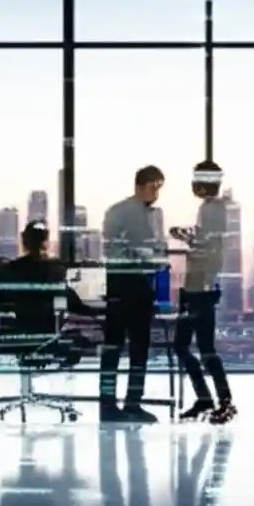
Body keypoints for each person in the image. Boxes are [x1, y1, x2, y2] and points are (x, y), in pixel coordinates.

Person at [100, 165, 168, 423]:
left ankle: (112, 405)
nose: (157, 193)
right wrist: (157, 258)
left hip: (125, 283)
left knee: (116, 347)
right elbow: (148, 250)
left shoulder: (133, 212)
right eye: (154, 187)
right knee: (135, 347)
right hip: (131, 283)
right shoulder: (131, 213)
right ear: (140, 185)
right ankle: (130, 404)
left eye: (159, 188)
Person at [170, 161, 235, 424]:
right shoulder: (210, 209)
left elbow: (206, 242)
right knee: (185, 346)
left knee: (203, 348)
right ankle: (208, 399)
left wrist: (181, 235)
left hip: (201, 289)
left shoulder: (213, 209)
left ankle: (224, 402)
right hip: (196, 286)